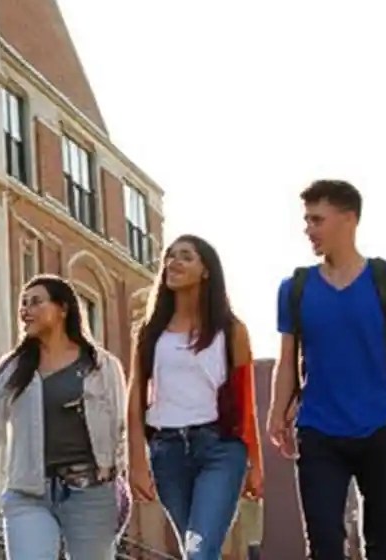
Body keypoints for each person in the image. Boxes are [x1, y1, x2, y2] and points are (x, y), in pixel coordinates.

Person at [266, 180, 386, 560]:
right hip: (319, 431)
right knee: (323, 544)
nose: (308, 229)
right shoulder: (296, 288)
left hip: (381, 430)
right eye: (306, 220)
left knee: (382, 544)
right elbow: (287, 359)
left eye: (316, 220)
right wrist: (277, 415)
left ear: (348, 219)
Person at [126, 235, 263, 560]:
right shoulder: (151, 332)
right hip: (167, 451)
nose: (173, 262)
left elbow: (246, 403)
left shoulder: (231, 331)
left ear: (206, 271)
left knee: (200, 550)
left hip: (219, 449)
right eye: (170, 257)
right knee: (195, 552)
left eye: (185, 257)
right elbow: (135, 398)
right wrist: (136, 461)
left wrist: (256, 464)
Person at [0, 274, 132, 560]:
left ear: (63, 309)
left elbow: (120, 428)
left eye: (36, 302)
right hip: (28, 494)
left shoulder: (101, 365)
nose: (26, 310)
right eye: (23, 304)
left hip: (91, 492)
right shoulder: (12, 369)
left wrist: (116, 475)